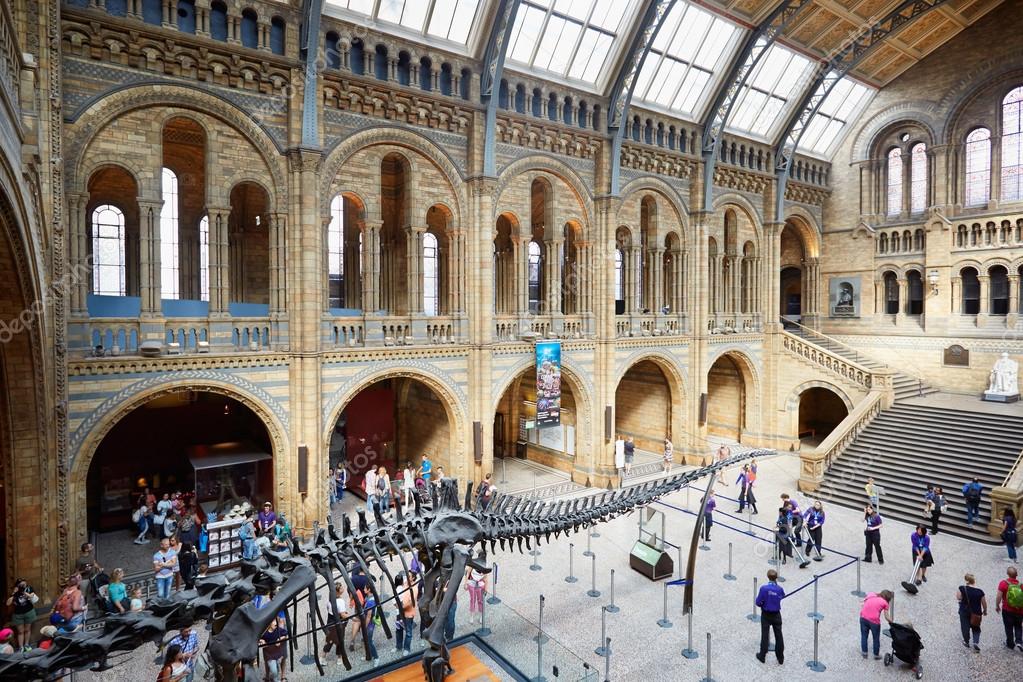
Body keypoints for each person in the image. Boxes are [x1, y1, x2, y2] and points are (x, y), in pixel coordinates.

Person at [755, 569, 785, 665]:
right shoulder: (780, 589)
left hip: (766, 614)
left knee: (765, 635)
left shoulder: (764, 588)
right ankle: (780, 658)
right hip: (776, 614)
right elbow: (782, 596)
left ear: (768, 576)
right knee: (779, 635)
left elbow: (758, 602)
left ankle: (762, 655)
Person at [957, 573, 987, 652]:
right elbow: (984, 603)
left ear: (966, 581)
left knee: (965, 626)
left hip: (964, 610)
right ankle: (976, 642)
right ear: (974, 581)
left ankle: (966, 641)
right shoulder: (980, 592)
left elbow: (958, 597)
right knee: (976, 627)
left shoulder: (962, 588)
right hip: (976, 612)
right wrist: (985, 610)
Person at [859, 590, 893, 659]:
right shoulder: (885, 603)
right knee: (876, 638)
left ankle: (864, 653)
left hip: (863, 618)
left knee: (864, 636)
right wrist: (892, 622)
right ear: (887, 599)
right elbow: (886, 617)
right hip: (874, 622)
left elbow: (864, 603)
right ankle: (876, 655)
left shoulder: (871, 594)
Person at [995, 565, 1023, 651]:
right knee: (1018, 626)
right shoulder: (1021, 585)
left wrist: (997, 605)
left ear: (1007, 574)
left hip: (1007, 610)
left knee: (1008, 626)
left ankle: (1010, 644)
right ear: (1016, 575)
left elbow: (999, 596)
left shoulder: (1003, 583)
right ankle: (1019, 642)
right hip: (1019, 610)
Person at [7, 578, 38, 650]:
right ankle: (21, 647)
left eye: (24, 584)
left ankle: (26, 645)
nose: (23, 586)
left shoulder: (29, 589)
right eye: (21, 585)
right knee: (20, 632)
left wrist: (24, 592)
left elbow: (31, 596)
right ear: (17, 586)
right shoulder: (15, 592)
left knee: (27, 630)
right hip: (18, 614)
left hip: (29, 612)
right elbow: (8, 603)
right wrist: (14, 593)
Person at [323, 582, 351, 664]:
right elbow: (342, 614)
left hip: (330, 622)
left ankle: (324, 657)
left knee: (330, 640)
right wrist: (352, 617)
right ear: (338, 591)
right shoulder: (340, 601)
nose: (343, 588)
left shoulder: (330, 600)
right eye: (341, 588)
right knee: (340, 639)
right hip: (338, 623)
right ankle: (339, 658)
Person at [259, 616, 288, 681]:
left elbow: (286, 634)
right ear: (269, 623)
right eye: (274, 621)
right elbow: (258, 638)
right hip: (269, 655)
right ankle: (273, 678)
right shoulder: (265, 633)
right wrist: (261, 641)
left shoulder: (278, 630)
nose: (276, 623)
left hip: (277, 653)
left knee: (275, 670)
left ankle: (275, 679)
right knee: (274, 671)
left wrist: (280, 639)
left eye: (276, 621)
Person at [396, 572, 417, 654]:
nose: (406, 578)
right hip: (400, 612)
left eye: (409, 576)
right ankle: (398, 646)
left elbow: (410, 603)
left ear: (413, 578)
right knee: (398, 630)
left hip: (408, 614)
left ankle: (406, 649)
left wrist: (400, 607)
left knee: (408, 632)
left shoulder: (414, 589)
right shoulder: (405, 583)